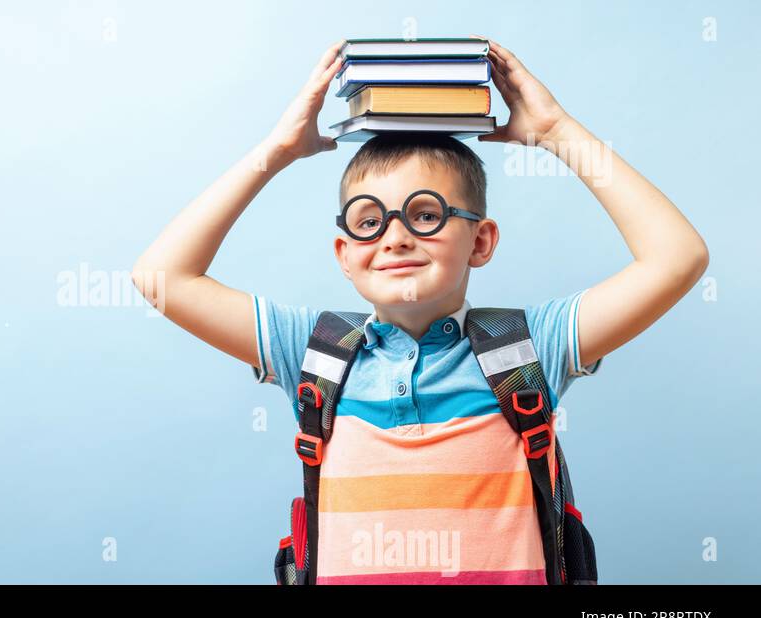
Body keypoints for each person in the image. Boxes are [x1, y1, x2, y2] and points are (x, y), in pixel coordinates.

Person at [131, 37, 709, 584]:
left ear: (480, 242)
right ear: (345, 255)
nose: (395, 237)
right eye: (367, 221)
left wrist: (558, 132)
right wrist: (275, 152)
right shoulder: (312, 350)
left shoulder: (531, 346)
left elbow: (677, 258)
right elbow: (162, 278)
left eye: (425, 214)